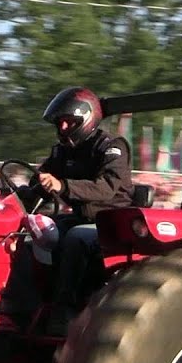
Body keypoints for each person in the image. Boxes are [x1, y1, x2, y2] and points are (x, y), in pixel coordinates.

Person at [31, 86, 134, 334]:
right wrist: (30, 187)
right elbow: (41, 178)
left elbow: (106, 188)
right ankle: (32, 302)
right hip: (80, 217)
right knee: (36, 233)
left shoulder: (111, 147)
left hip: (111, 222)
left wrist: (62, 185)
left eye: (69, 122)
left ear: (86, 120)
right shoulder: (63, 150)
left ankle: (65, 311)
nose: (63, 128)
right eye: (60, 123)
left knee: (77, 238)